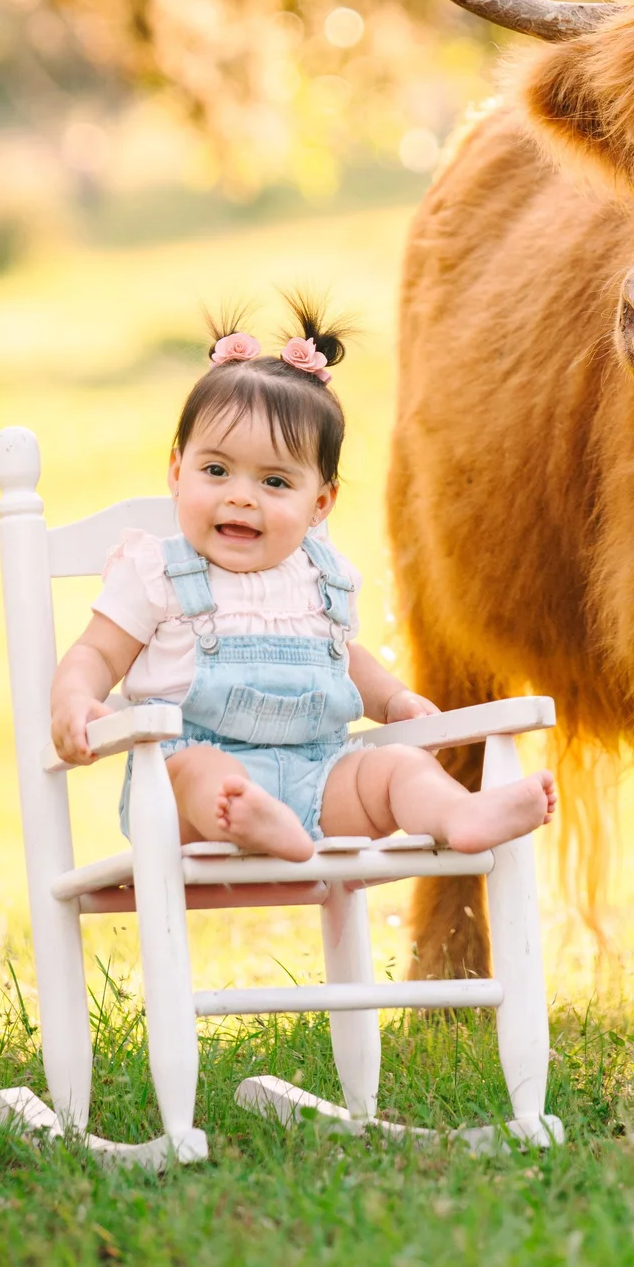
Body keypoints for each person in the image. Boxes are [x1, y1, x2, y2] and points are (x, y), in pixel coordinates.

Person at [49, 306, 556, 862]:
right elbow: (97, 652)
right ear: (176, 472)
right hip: (186, 796)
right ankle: (249, 815)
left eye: (273, 481)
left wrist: (395, 701)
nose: (240, 496)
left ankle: (457, 814)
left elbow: (345, 658)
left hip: (320, 782)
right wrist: (75, 700)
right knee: (201, 771)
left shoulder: (322, 578)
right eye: (216, 471)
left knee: (397, 768)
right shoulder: (157, 572)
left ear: (319, 504)